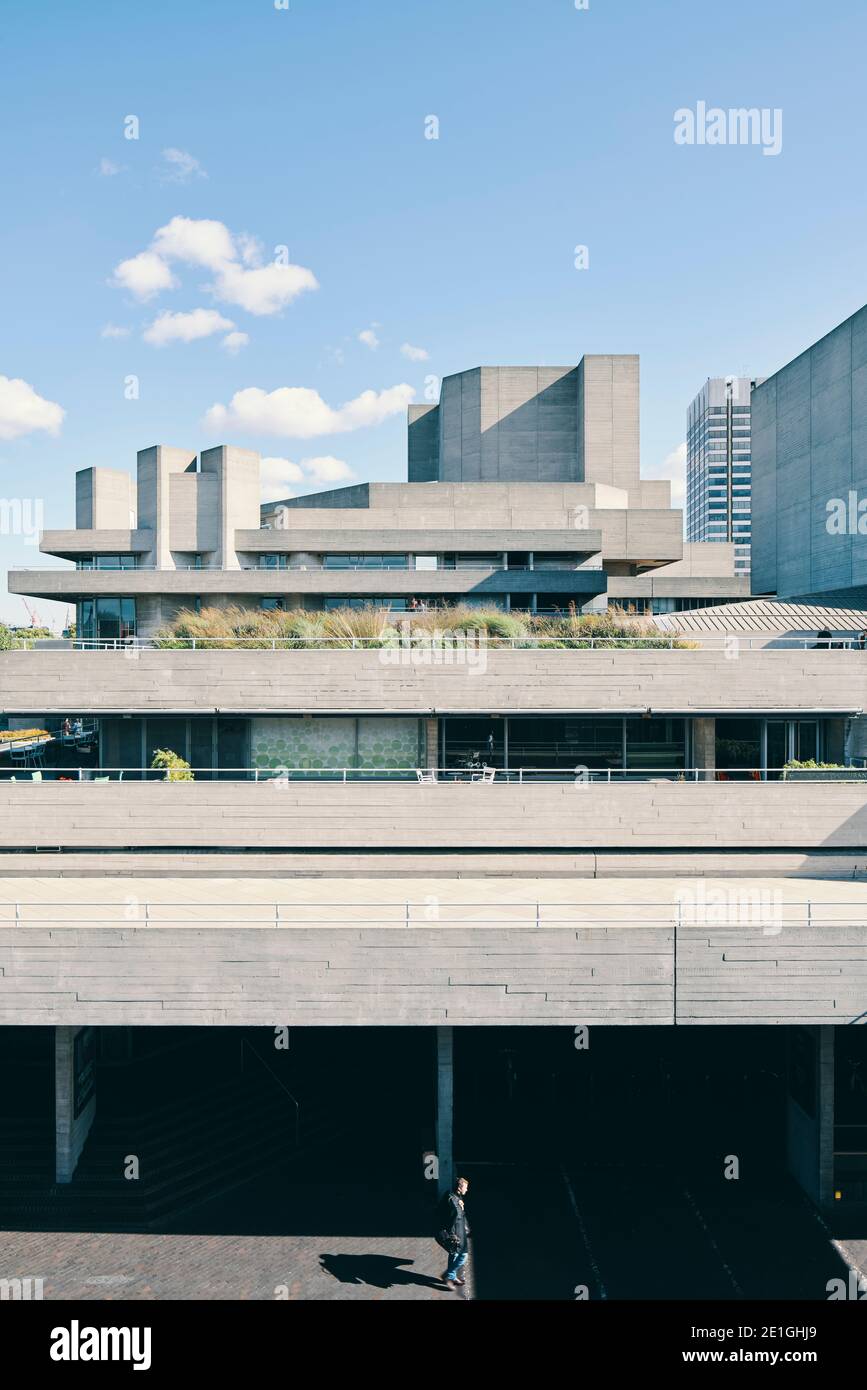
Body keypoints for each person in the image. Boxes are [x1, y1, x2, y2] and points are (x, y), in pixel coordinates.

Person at [436, 1176, 471, 1288]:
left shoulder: (456, 1197)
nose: (467, 1189)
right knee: (463, 1255)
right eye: (465, 1187)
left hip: (459, 1230)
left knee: (454, 1254)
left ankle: (451, 1276)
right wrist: (452, 1235)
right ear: (460, 1188)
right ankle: (448, 1274)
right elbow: (451, 1218)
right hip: (455, 1232)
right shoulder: (453, 1201)